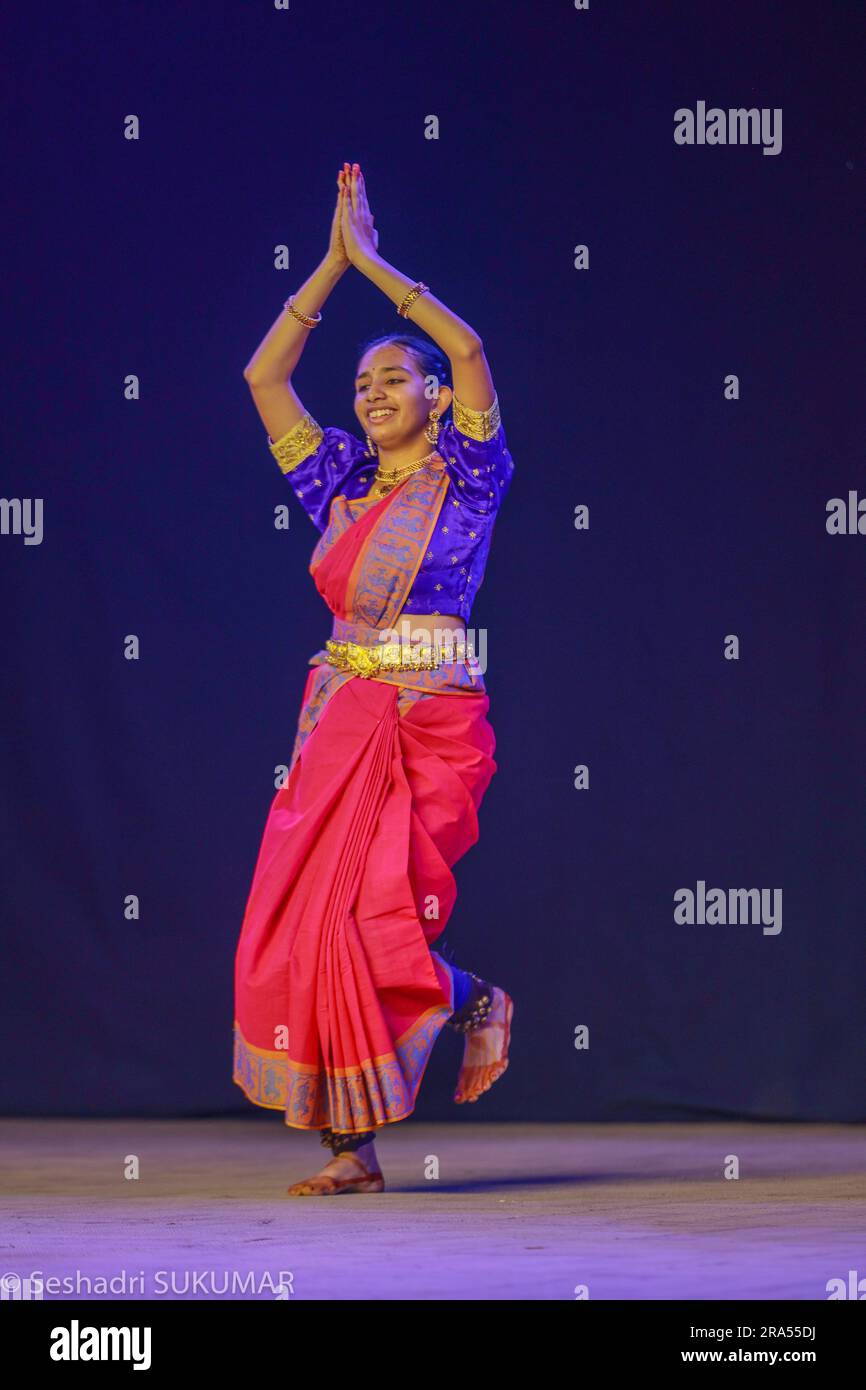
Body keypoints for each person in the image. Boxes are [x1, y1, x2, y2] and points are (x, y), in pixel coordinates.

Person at [233, 163, 515, 1195]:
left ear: (434, 396)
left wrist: (376, 265)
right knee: (310, 922)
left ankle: (466, 1000)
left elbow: (469, 347)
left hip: (431, 715)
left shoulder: (470, 474)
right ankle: (352, 1149)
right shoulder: (341, 482)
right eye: (361, 385)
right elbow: (264, 379)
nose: (372, 393)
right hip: (341, 716)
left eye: (393, 377)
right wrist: (325, 269)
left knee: (377, 911)